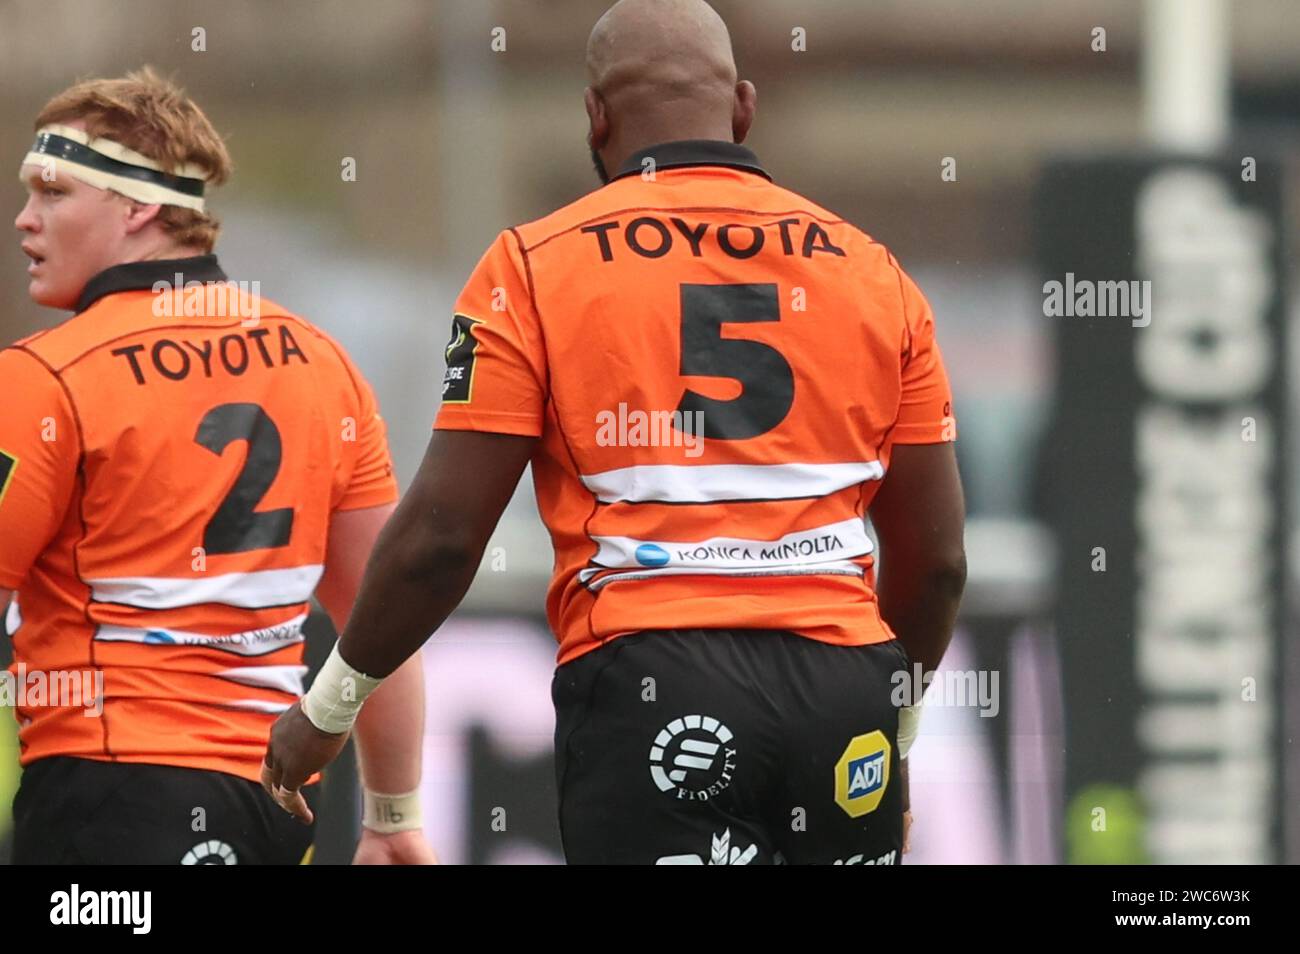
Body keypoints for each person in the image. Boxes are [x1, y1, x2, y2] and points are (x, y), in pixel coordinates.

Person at [265, 0, 965, 865]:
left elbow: (443, 538)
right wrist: (892, 739)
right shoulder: (876, 274)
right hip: (842, 693)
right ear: (742, 107)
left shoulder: (532, 267)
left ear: (595, 118)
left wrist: (328, 709)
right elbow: (936, 565)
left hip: (651, 678)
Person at [1, 68, 434, 865]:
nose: (25, 220)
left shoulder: (44, 376)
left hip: (110, 800)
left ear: (138, 209)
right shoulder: (321, 362)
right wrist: (394, 813)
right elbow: (385, 613)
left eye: (54, 192)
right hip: (268, 806)